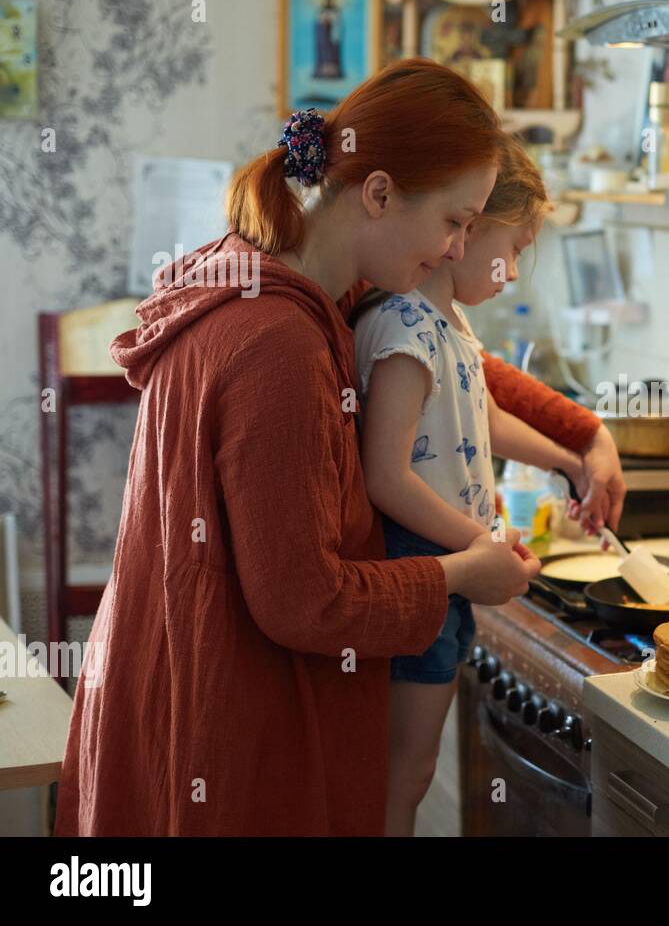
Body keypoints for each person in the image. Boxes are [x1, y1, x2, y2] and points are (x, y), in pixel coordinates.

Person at [55, 59, 621, 836]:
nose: (460, 251)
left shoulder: (288, 277)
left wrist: (584, 434)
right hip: (231, 732)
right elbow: (304, 600)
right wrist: (460, 572)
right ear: (380, 193)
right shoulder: (277, 345)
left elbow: (461, 367)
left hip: (172, 685)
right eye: (455, 221)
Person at [351, 136, 574, 834]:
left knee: (407, 774)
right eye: (516, 246)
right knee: (403, 776)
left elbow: (483, 416)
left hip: (448, 563)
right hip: (423, 563)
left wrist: (570, 456)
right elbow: (385, 477)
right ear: (468, 228)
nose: (514, 271)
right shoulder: (406, 325)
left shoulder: (446, 323)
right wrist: (483, 549)